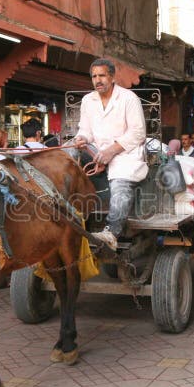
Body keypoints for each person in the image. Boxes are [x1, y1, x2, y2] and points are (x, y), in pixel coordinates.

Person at [74, 58, 147, 251]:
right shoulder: (87, 100)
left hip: (125, 154)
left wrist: (111, 151)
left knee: (120, 184)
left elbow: (138, 132)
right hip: (97, 151)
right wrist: (81, 137)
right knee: (65, 154)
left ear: (112, 77)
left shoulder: (128, 98)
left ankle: (111, 232)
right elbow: (86, 130)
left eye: (102, 75)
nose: (98, 80)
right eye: (94, 76)